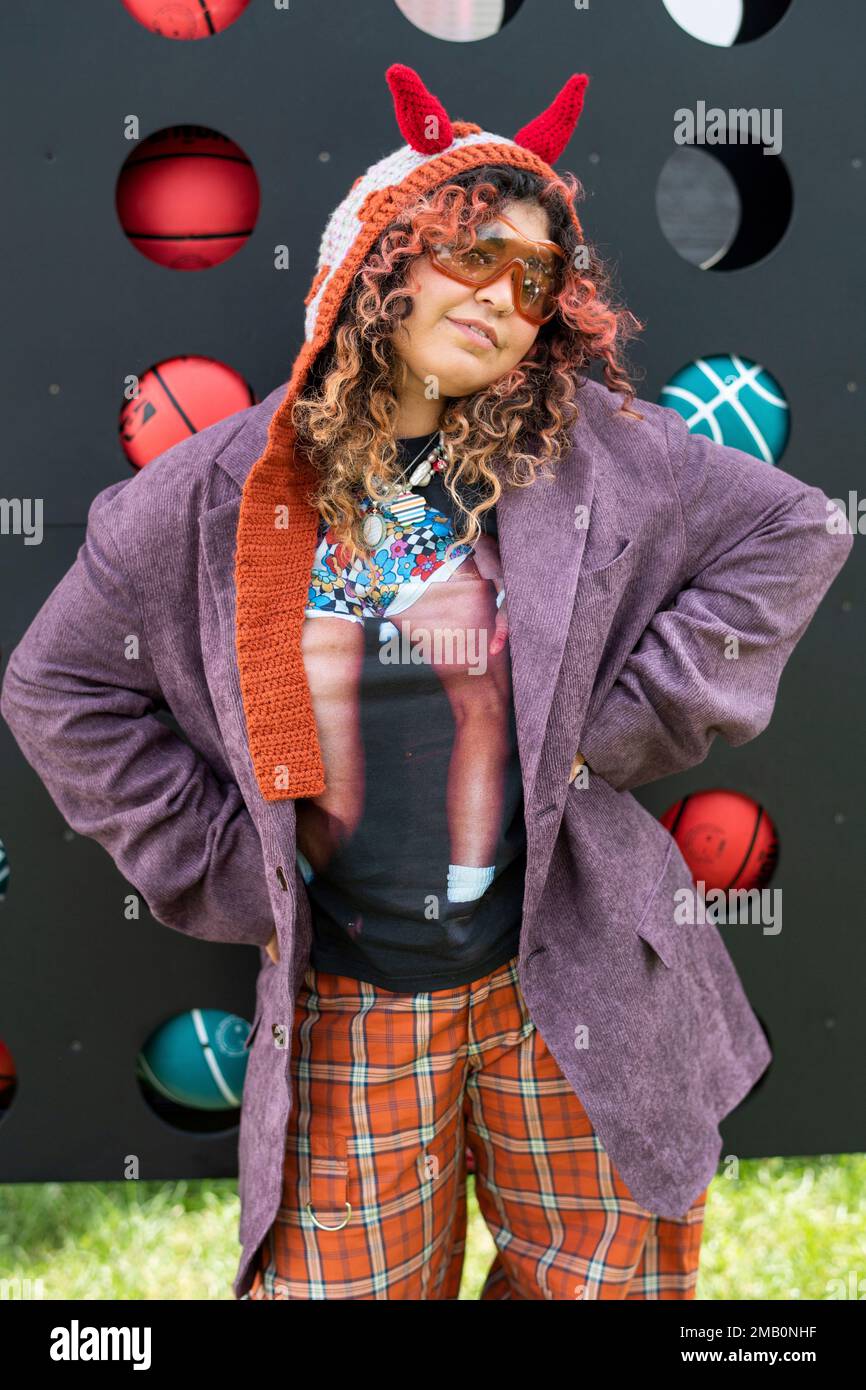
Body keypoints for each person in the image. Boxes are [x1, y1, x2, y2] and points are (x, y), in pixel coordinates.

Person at [0, 64, 852, 1301]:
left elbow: (790, 531)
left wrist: (608, 729)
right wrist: (219, 862)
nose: (502, 294)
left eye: (533, 276)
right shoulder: (210, 495)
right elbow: (58, 687)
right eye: (469, 254)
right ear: (376, 265)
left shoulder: (586, 454)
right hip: (350, 1009)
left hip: (572, 989)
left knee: (605, 1285)